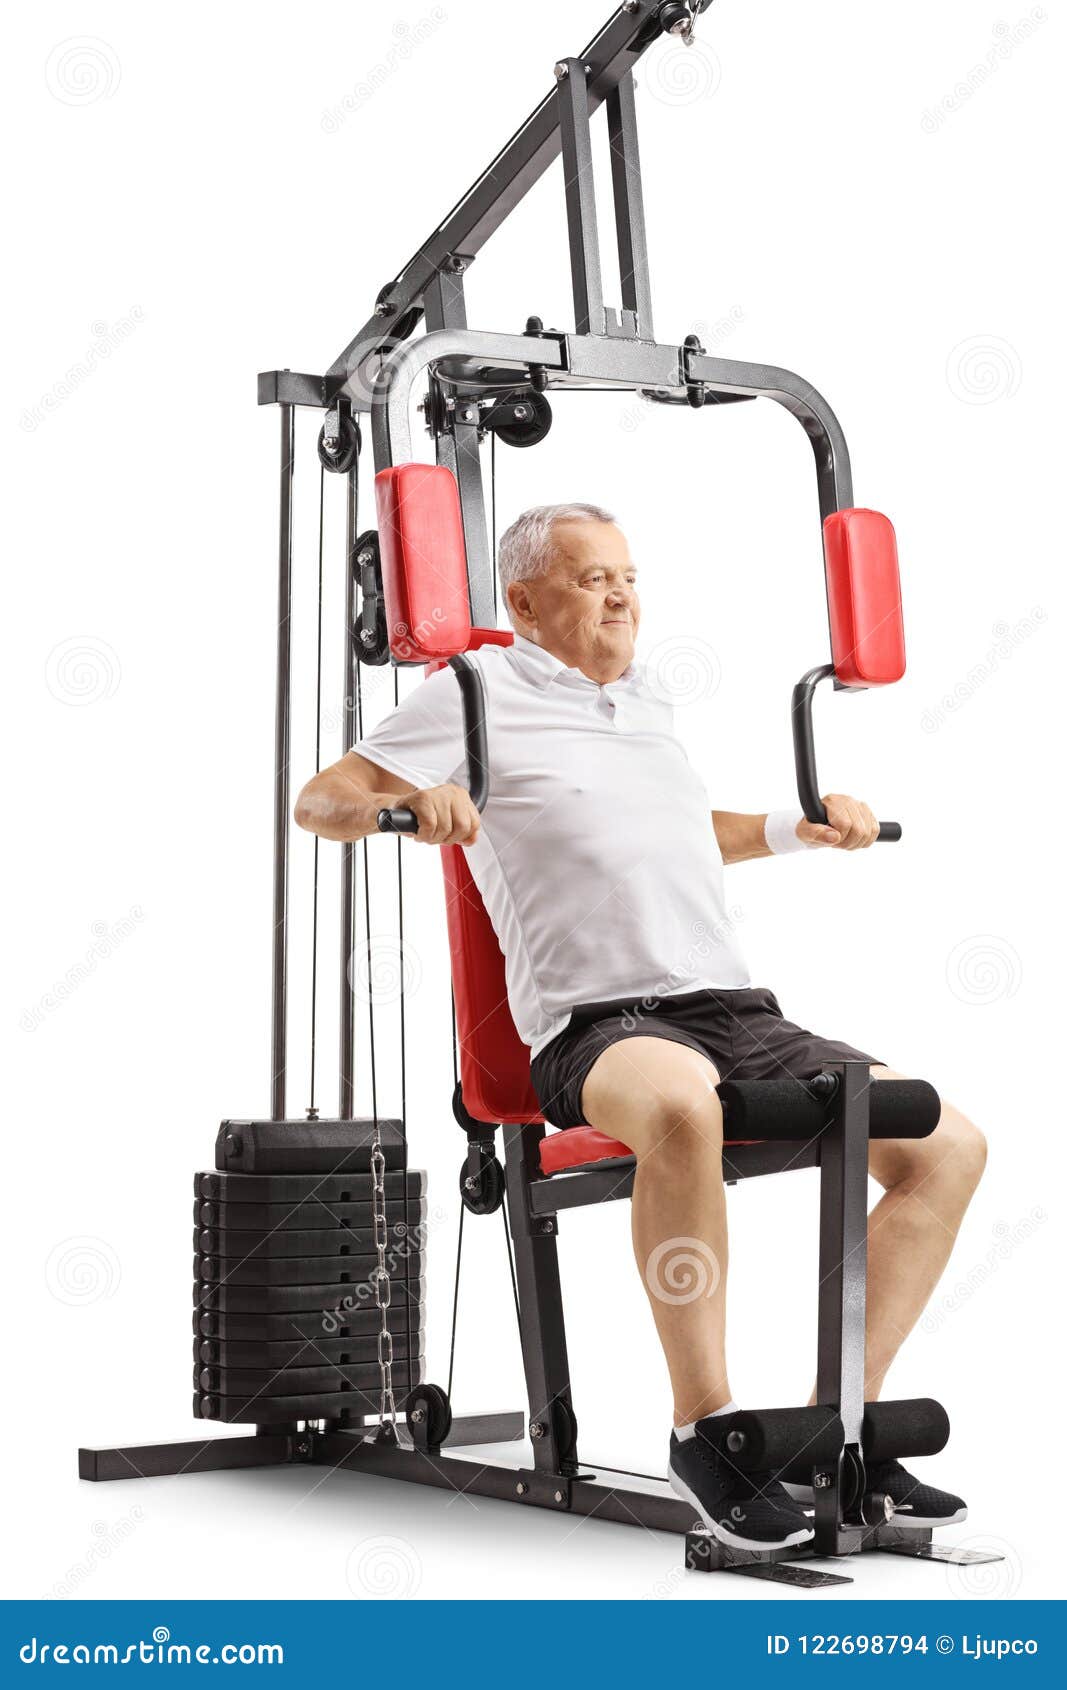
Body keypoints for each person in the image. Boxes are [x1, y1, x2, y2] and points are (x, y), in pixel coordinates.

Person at [295, 502, 986, 1552]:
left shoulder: (644, 699)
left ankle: (833, 1429)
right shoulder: (473, 693)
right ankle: (706, 1430)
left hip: (734, 1007)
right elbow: (320, 799)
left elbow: (675, 831)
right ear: (521, 602)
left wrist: (790, 831)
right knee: (677, 1104)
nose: (619, 594)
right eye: (589, 578)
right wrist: (404, 808)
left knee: (944, 1142)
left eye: (626, 574)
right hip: (595, 1024)